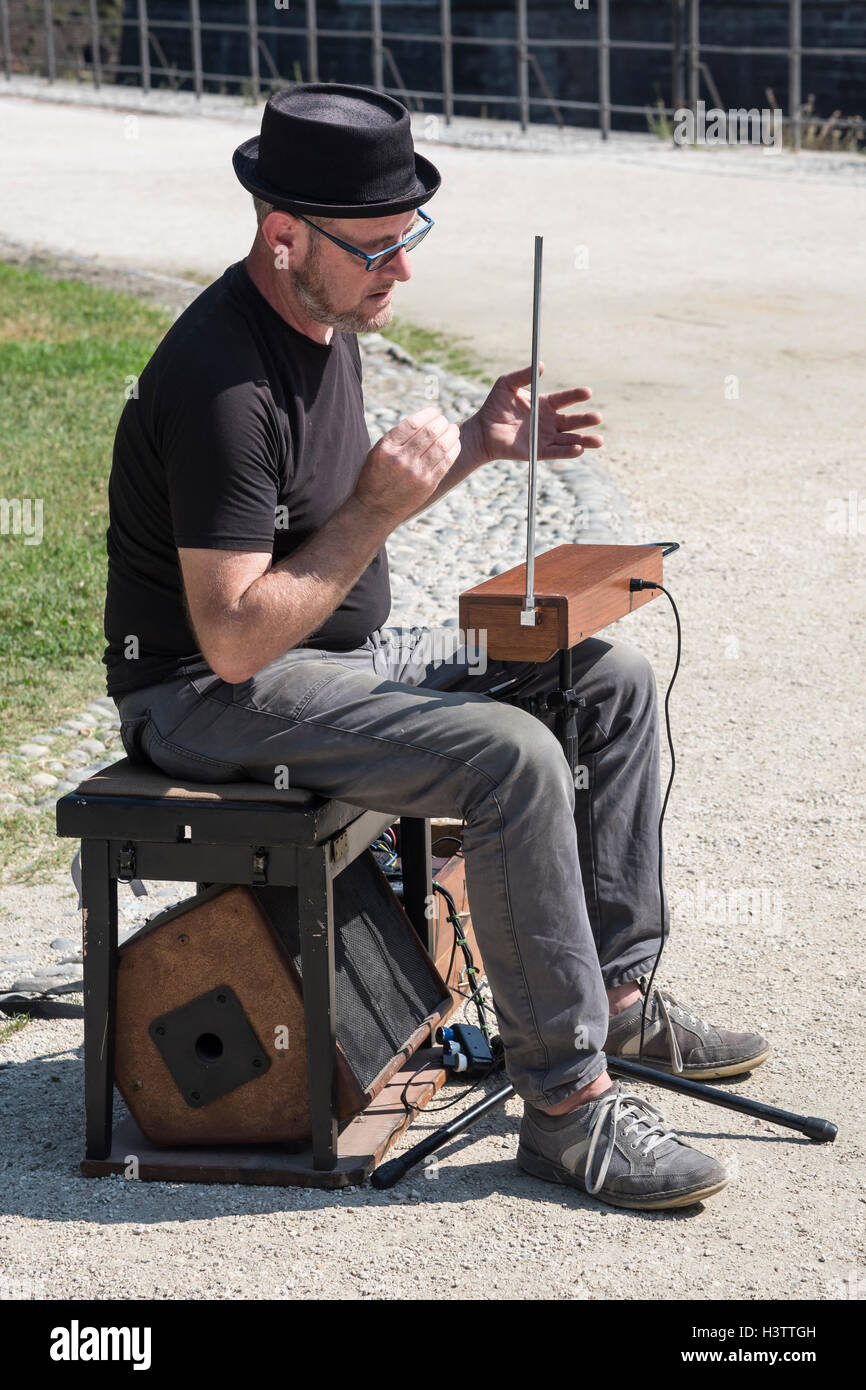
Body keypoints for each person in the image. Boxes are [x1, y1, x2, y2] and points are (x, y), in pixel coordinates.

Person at [103, 83, 769, 1210]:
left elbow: (326, 527)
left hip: (331, 658)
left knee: (602, 680)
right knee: (508, 755)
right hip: (204, 694)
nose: (398, 271)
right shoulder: (219, 380)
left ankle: (609, 996)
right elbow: (227, 637)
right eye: (376, 249)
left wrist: (469, 448)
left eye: (407, 239)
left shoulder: (323, 319)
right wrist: (376, 508)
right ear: (282, 237)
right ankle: (564, 1108)